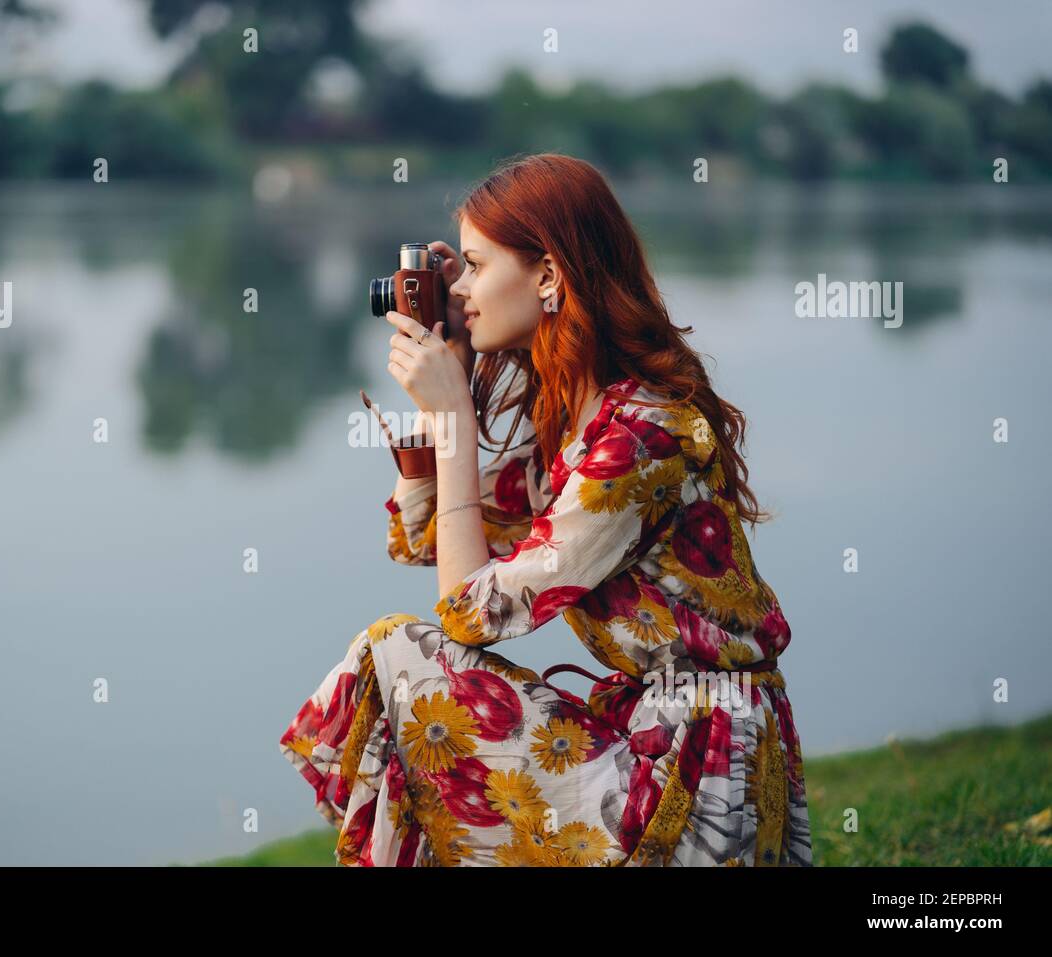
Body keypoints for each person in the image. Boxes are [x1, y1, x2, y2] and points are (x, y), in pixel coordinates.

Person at [278, 153, 812, 867]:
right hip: (653, 741)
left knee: (402, 654)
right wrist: (453, 388)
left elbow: (470, 612)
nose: (461, 289)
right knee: (393, 658)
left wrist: (459, 420)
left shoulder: (640, 435)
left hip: (697, 774)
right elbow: (435, 539)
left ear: (549, 275)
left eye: (473, 265)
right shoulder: (571, 412)